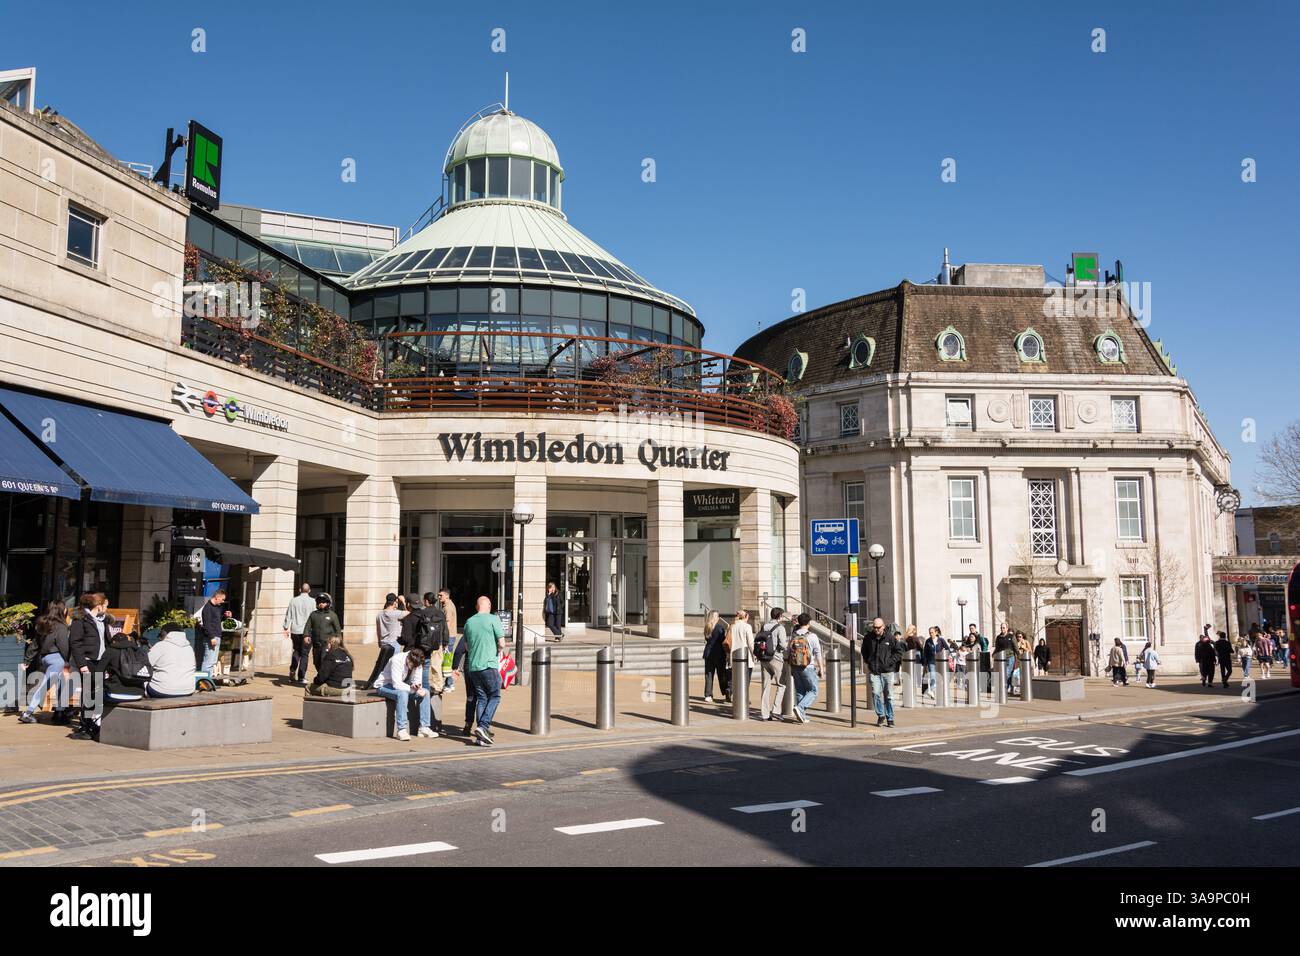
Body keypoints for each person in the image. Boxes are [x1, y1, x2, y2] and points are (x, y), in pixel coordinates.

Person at [17, 601, 73, 724]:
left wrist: (27, 660)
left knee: (60, 685)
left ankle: (59, 713)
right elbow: (63, 645)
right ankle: (28, 712)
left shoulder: (44, 623)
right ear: (63, 611)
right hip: (57, 659)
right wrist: (68, 661)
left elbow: (35, 644)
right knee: (45, 686)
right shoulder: (61, 626)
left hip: (44, 658)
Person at [463, 595, 505, 746]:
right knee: (495, 696)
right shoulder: (493, 619)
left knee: (482, 698)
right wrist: (496, 651)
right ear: (489, 606)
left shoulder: (469, 622)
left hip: (473, 666)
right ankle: (483, 726)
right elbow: (502, 643)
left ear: (477, 606)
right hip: (488, 664)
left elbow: (466, 647)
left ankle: (481, 737)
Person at [67, 593, 109, 741]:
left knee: (96, 694)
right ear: (99, 606)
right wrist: (82, 664)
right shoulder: (81, 620)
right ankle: (85, 726)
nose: (106, 608)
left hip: (100, 661)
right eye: (105, 605)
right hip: (88, 661)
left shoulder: (101, 620)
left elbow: (106, 641)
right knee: (89, 694)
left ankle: (93, 724)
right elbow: (75, 642)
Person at [372, 645, 435, 741]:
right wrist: (413, 688)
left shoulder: (417, 663)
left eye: (416, 666)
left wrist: (417, 687)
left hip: (404, 686)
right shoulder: (396, 660)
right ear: (408, 659)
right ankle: (401, 729)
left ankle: (424, 727)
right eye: (412, 666)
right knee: (402, 694)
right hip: (384, 686)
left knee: (425, 692)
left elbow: (417, 681)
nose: (414, 668)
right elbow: (396, 684)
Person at [864, 617, 902, 728]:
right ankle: (881, 715)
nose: (876, 630)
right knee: (876, 693)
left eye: (878, 628)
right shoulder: (868, 638)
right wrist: (869, 662)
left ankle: (890, 718)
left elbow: (898, 652)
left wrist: (890, 662)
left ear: (883, 627)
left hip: (887, 672)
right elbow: (864, 651)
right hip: (874, 671)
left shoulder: (890, 637)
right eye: (874, 627)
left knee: (889, 696)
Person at [754, 608, 789, 720]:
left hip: (764, 658)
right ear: (779, 616)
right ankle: (776, 710)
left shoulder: (764, 626)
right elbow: (783, 645)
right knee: (781, 684)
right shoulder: (780, 628)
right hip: (776, 659)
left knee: (765, 686)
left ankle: (765, 714)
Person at [144, 624, 196, 699]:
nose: (159, 638)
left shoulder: (161, 645)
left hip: (163, 690)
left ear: (164, 633)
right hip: (188, 689)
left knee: (141, 681)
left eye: (160, 635)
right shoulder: (189, 648)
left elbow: (144, 664)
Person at [367, 593, 408, 688]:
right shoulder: (396, 613)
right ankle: (391, 684)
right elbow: (411, 613)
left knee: (383, 665)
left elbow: (378, 629)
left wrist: (379, 641)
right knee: (394, 666)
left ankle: (378, 682)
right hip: (394, 644)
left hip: (384, 643)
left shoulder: (380, 614)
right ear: (394, 603)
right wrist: (404, 601)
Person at [788, 613, 823, 723]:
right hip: (808, 667)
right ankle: (800, 708)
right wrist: (821, 668)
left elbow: (788, 650)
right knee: (814, 690)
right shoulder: (812, 636)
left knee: (800, 691)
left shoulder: (793, 635)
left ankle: (801, 716)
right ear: (809, 623)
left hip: (795, 666)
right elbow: (818, 653)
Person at [302, 593, 342, 681]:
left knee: (324, 661)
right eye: (319, 602)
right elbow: (308, 626)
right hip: (316, 644)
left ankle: (325, 679)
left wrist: (337, 643)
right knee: (317, 662)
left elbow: (338, 631)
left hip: (327, 644)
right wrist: (306, 635)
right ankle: (322, 676)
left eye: (323, 602)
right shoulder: (313, 614)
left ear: (328, 603)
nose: (321, 603)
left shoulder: (332, 615)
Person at [283, 582, 316, 685]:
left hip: (295, 630)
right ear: (309, 590)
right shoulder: (313, 602)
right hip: (307, 631)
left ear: (299, 590)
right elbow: (315, 617)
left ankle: (293, 670)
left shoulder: (293, 601)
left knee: (296, 650)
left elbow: (289, 615)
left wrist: (285, 627)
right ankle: (301, 677)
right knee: (305, 654)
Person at [196, 589, 228, 674]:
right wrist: (212, 637)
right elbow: (207, 624)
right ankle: (204, 682)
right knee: (208, 661)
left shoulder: (217, 607)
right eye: (222, 599)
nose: (223, 601)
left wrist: (225, 616)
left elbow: (216, 620)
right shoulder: (207, 608)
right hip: (212, 637)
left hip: (216, 636)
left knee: (212, 661)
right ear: (217, 597)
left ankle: (207, 682)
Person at [702, 611, 730, 703]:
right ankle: (726, 693)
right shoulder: (719, 628)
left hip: (708, 653)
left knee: (709, 675)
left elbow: (707, 639)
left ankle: (708, 695)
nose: (719, 617)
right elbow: (723, 641)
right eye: (718, 616)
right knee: (722, 675)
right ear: (715, 617)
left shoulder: (707, 627)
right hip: (719, 654)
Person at [727, 609, 754, 693]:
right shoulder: (747, 627)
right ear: (745, 617)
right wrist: (754, 654)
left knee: (734, 676)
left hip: (733, 654)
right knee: (746, 677)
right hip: (745, 655)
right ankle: (744, 695)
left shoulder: (731, 626)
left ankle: (730, 690)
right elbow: (750, 643)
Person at [437, 588, 458, 692]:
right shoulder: (447, 605)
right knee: (447, 660)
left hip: (449, 637)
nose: (439, 597)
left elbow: (448, 624)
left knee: (447, 661)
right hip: (450, 636)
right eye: (439, 595)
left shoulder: (448, 607)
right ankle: (449, 683)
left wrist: (444, 639)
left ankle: (449, 684)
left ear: (447, 595)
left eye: (441, 595)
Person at [922, 626, 946, 699]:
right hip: (931, 661)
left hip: (940, 662)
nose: (931, 634)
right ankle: (932, 691)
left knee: (939, 677)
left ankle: (939, 691)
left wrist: (943, 652)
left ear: (936, 632)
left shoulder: (941, 640)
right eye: (930, 633)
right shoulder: (928, 641)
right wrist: (925, 662)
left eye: (932, 632)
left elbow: (947, 648)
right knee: (933, 676)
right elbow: (925, 652)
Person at [994, 625, 1016, 693]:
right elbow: (997, 647)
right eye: (1001, 628)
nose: (1002, 629)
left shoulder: (1011, 636)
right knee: (1004, 673)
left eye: (1003, 628)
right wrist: (994, 653)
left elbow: (1015, 646)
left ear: (1007, 628)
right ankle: (1007, 686)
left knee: (1007, 672)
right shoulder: (998, 637)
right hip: (1001, 658)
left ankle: (1007, 687)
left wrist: (1018, 655)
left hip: (1010, 656)